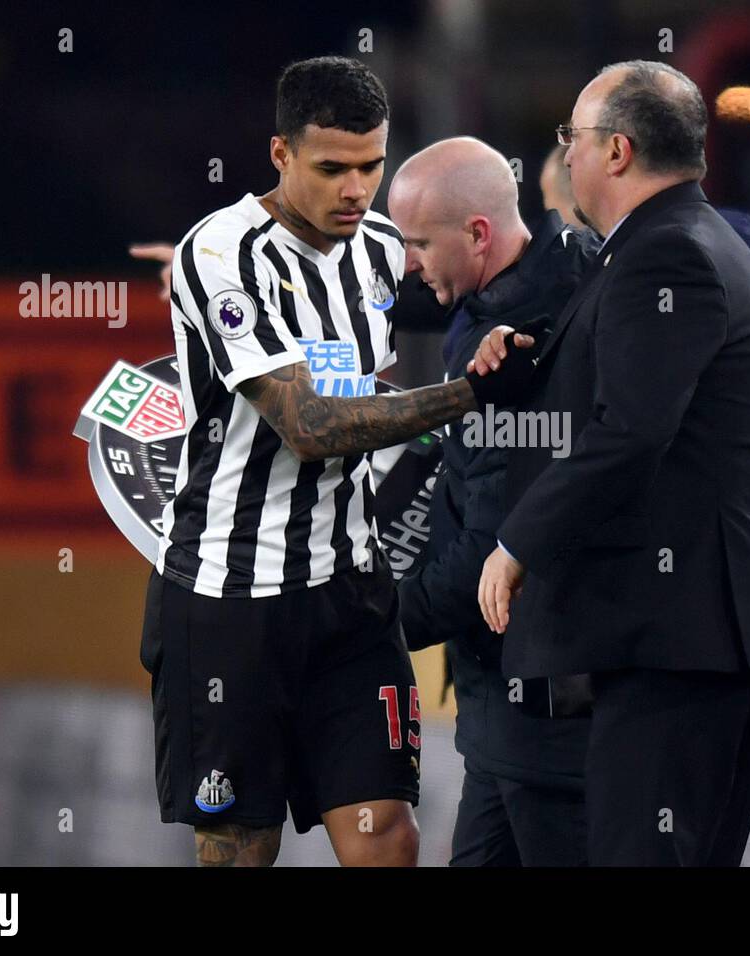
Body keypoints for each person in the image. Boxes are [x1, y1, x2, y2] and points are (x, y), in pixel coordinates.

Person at [138, 55, 520, 867]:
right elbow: (306, 424)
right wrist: (465, 395)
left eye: (372, 166)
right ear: (280, 156)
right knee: (243, 844)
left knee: (388, 838)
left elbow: (488, 273)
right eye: (332, 168)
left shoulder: (380, 248)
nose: (356, 190)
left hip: (349, 594)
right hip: (230, 597)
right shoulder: (225, 255)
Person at [471, 60, 750, 865]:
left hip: (684, 645)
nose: (566, 153)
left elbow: (630, 431)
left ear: (617, 151)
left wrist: (519, 543)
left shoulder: (668, 256)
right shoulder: (689, 245)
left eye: (573, 138)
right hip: (704, 639)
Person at [387, 137, 599, 865]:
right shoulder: (513, 300)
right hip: (510, 701)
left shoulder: (517, 351)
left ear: (478, 234)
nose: (407, 265)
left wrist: (371, 626)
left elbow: (493, 543)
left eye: (416, 243)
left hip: (543, 700)